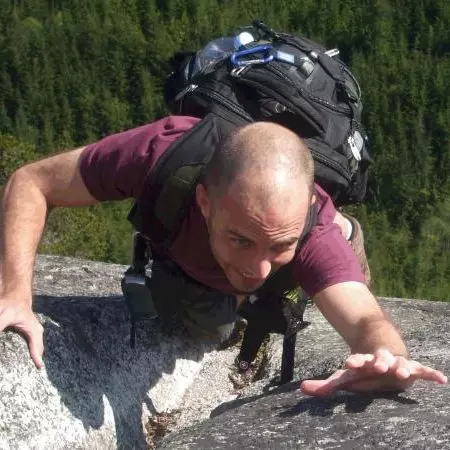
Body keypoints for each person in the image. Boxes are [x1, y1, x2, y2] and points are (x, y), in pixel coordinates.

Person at [0, 116, 446, 397]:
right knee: (204, 325)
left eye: (280, 245)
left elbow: (366, 321)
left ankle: (348, 233)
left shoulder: (314, 232)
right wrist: (15, 294)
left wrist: (385, 357)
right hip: (199, 240)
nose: (258, 267)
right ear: (205, 201)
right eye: (242, 239)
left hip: (322, 233)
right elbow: (32, 183)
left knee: (303, 265)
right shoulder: (159, 155)